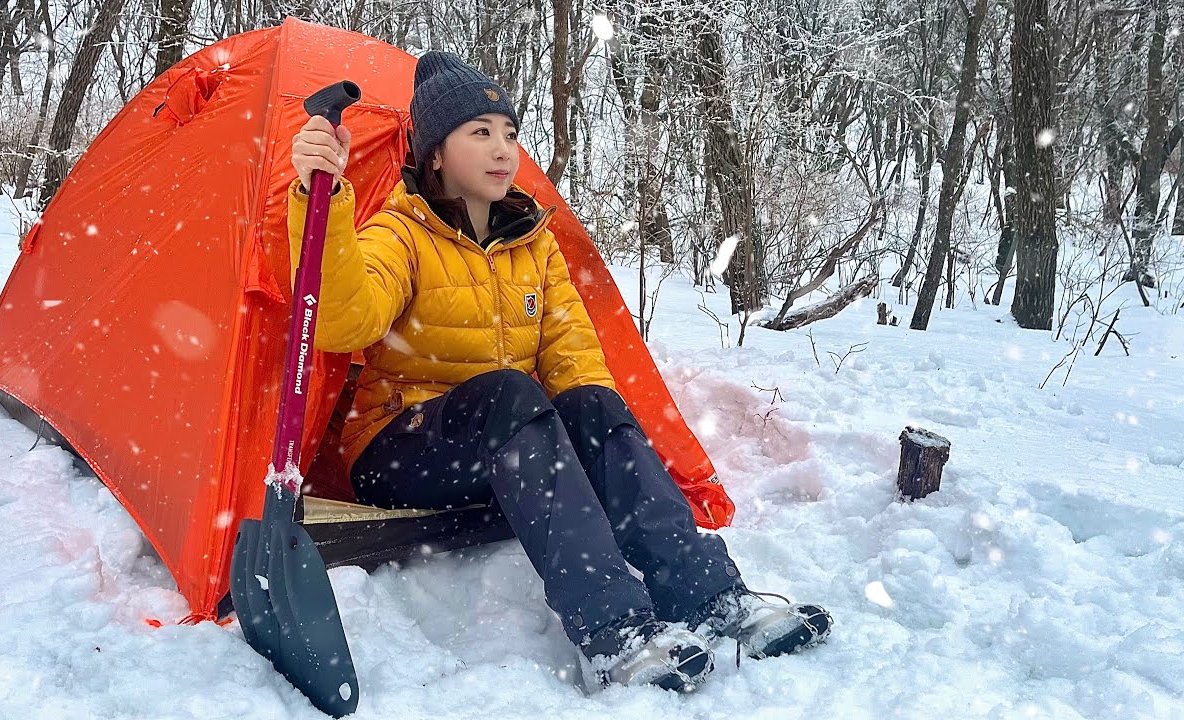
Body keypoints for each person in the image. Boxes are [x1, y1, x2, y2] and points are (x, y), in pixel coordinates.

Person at [288, 51, 832, 691]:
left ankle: (713, 597)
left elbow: (574, 357)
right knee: (511, 394)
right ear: (435, 153)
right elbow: (344, 322)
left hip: (506, 450)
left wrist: (595, 437)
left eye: (511, 133)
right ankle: (615, 632)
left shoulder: (533, 241)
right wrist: (315, 196)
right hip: (401, 451)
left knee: (594, 402)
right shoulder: (400, 233)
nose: (504, 150)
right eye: (480, 132)